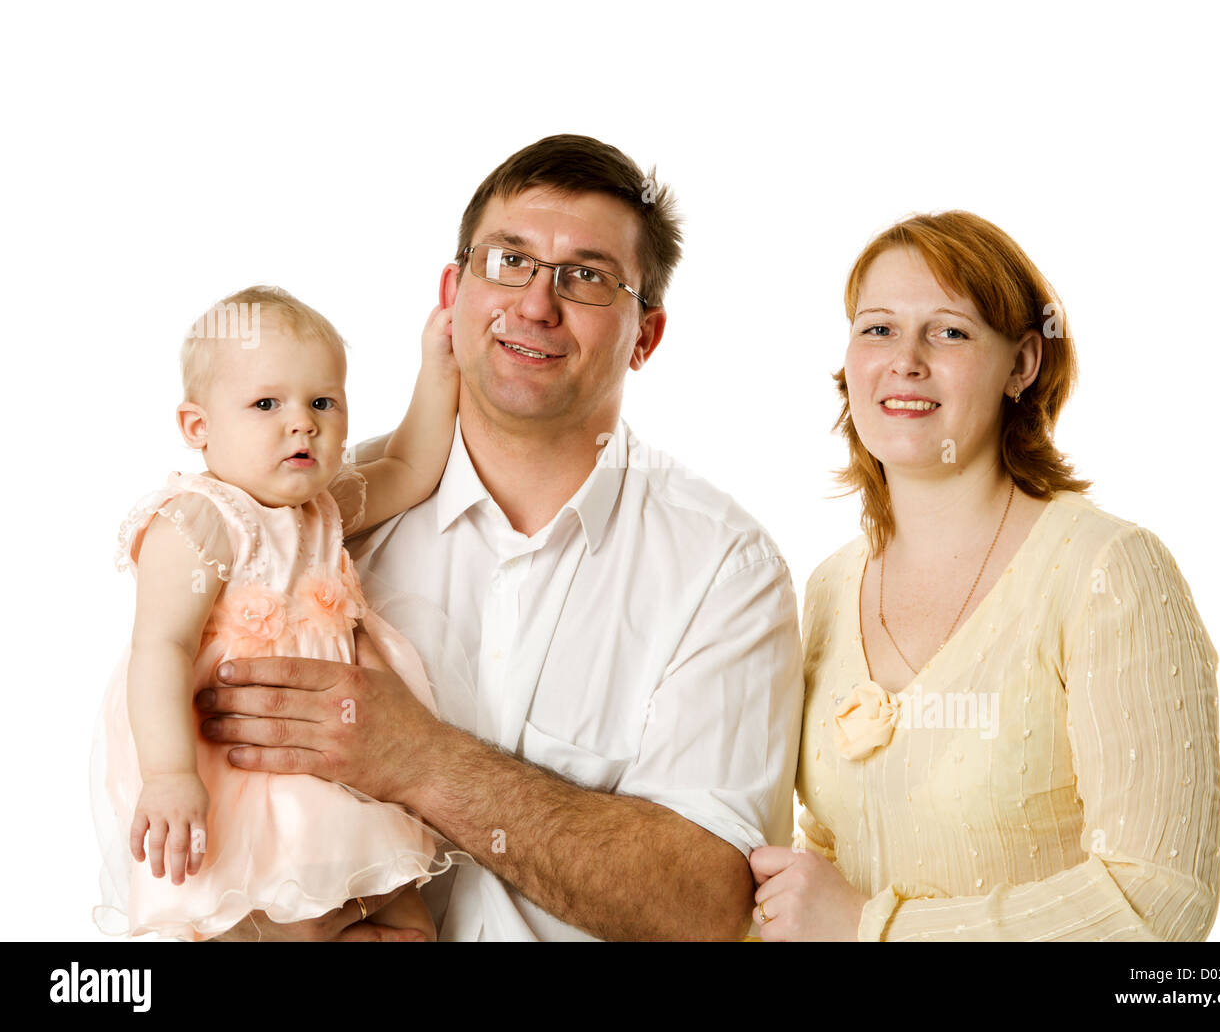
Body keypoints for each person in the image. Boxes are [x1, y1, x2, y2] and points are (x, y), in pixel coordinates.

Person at [196, 135, 805, 941]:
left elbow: (707, 905)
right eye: (508, 260)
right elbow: (186, 792)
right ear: (454, 294)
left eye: (586, 276)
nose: (535, 304)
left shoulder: (727, 569)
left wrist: (421, 760)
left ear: (646, 334)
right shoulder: (312, 522)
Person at [749, 211, 1220, 941]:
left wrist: (873, 929)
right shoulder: (830, 588)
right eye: (877, 328)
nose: (905, 360)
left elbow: (1159, 900)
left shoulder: (1107, 572)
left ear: (1023, 364)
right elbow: (835, 853)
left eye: (950, 331)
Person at [92, 286, 462, 940]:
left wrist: (439, 359)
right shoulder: (201, 519)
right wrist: (170, 773)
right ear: (197, 427)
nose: (303, 422)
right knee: (271, 919)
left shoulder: (323, 506)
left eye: (322, 401)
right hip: (244, 777)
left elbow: (410, 465)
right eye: (267, 403)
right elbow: (161, 648)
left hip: (339, 771)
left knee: (403, 915)